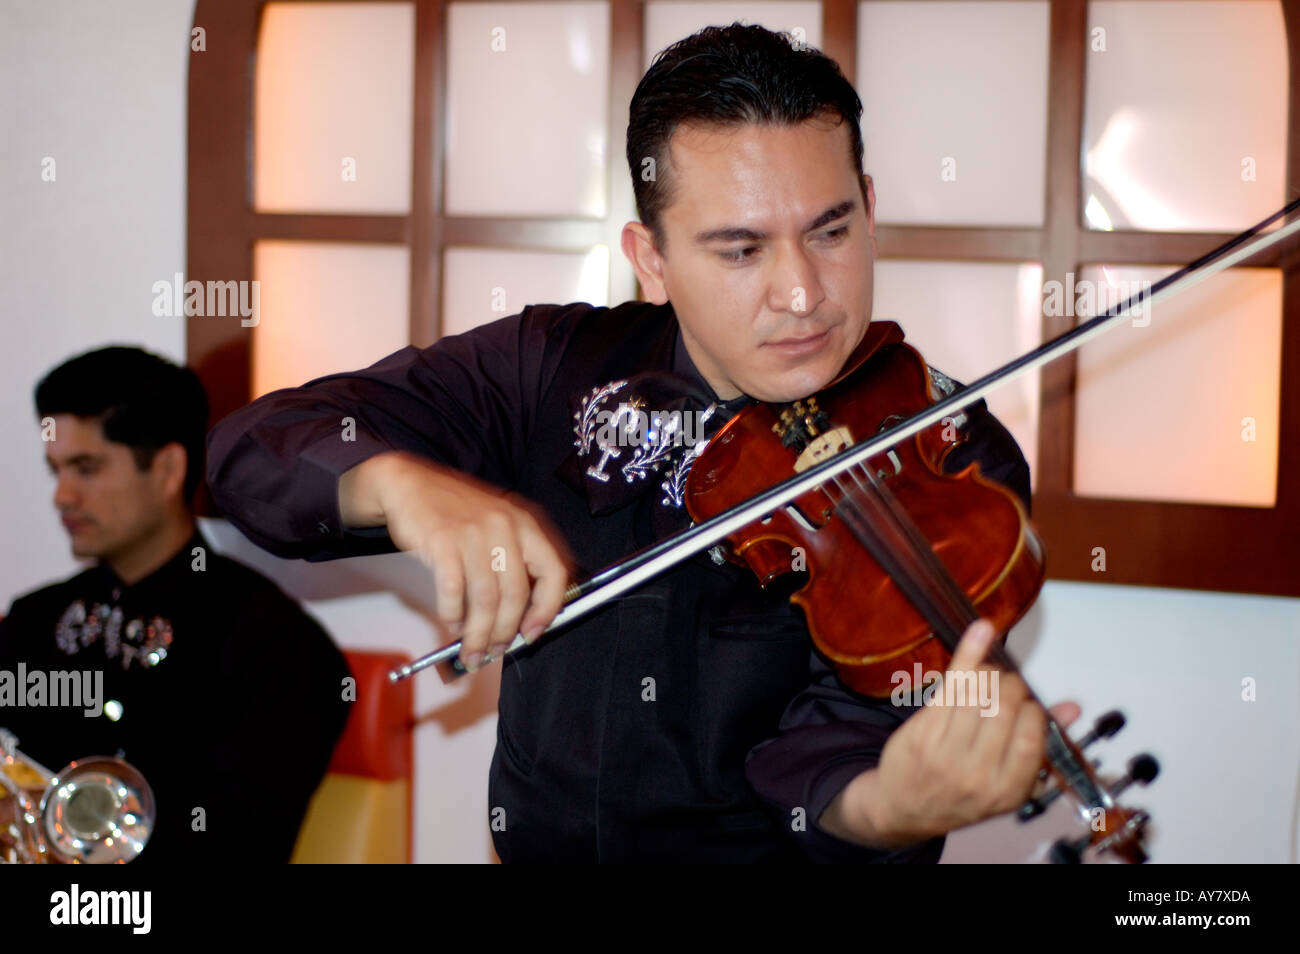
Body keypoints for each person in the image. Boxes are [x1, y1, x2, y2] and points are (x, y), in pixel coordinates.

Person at [206, 23, 1077, 862]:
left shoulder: (950, 460)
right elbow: (254, 447)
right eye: (741, 250)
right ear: (650, 259)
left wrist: (893, 807)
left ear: (872, 209)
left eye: (832, 230)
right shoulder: (547, 365)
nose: (804, 293)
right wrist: (399, 485)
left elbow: (830, 757)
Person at [0, 346, 352, 864]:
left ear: (167, 470)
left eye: (86, 468)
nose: (62, 497)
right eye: (57, 471)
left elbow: (242, 843)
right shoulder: (35, 619)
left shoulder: (277, 645)